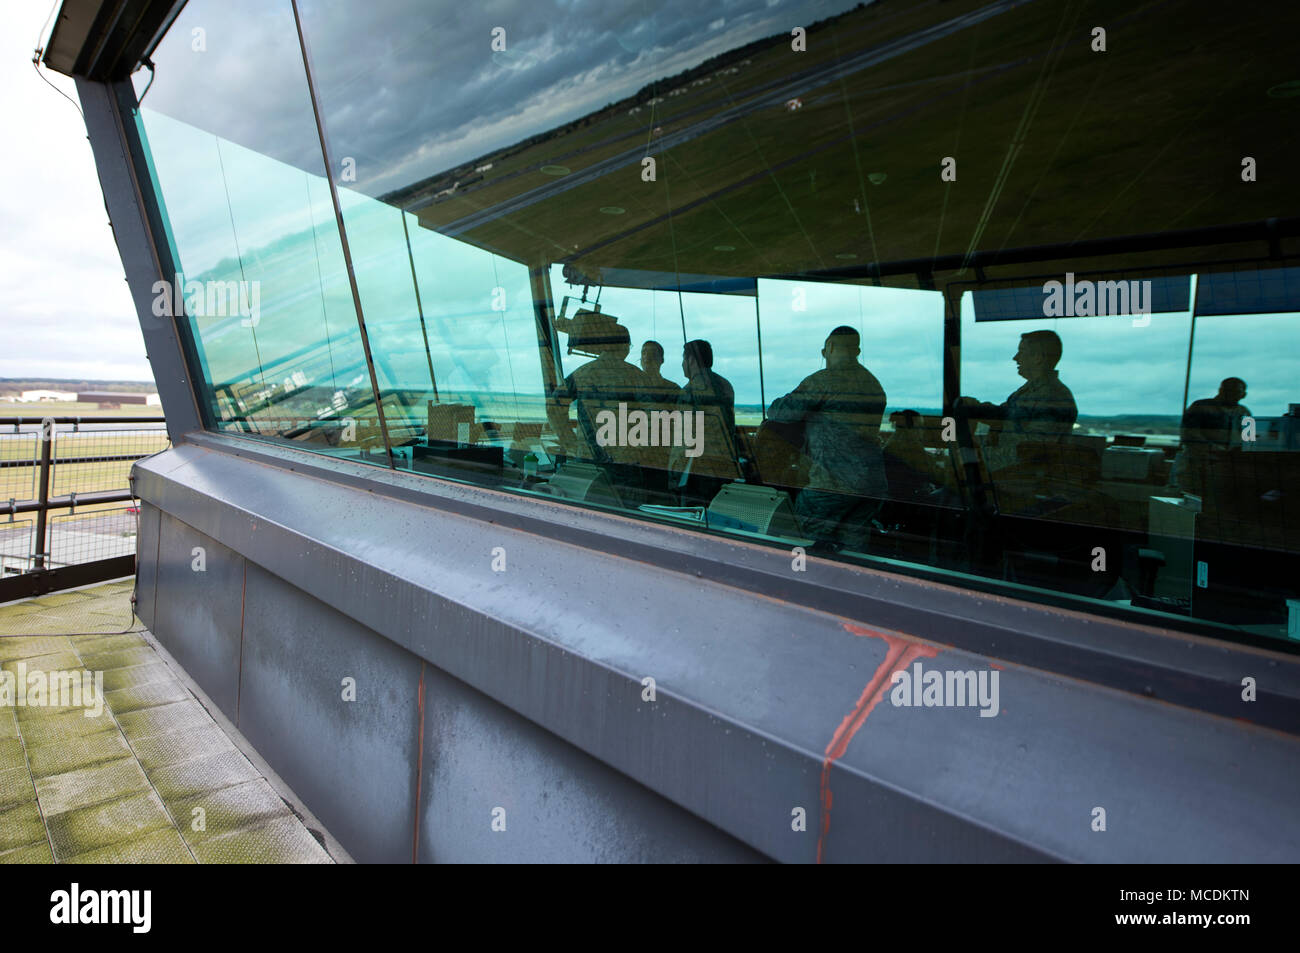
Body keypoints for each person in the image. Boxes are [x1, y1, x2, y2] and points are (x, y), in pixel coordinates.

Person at [768, 326, 887, 549]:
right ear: (857, 351)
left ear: (829, 347)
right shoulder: (874, 384)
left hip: (831, 485)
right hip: (870, 484)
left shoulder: (825, 380)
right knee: (853, 554)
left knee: (807, 545)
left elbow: (780, 412)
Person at [547, 311, 652, 499]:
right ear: (625, 347)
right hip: (627, 462)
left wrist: (569, 441)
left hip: (588, 459)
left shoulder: (582, 374)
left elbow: (554, 406)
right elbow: (653, 417)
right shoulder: (637, 377)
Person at [957, 329, 1077, 443]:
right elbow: (1003, 415)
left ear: (1038, 358)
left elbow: (1034, 447)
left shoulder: (1054, 396)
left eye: (1022, 352)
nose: (1015, 358)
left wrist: (985, 439)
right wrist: (977, 409)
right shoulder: (1028, 391)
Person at [671, 339, 738, 505]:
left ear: (691, 360)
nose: (682, 364)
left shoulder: (690, 390)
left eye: (683, 359)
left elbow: (685, 438)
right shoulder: (725, 385)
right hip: (725, 466)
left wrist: (674, 474)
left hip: (697, 470)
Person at [1176, 377, 1250, 496]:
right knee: (1193, 502)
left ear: (1243, 395)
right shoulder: (1200, 406)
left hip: (1227, 469)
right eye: (1228, 390)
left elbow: (1249, 441)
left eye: (1236, 392)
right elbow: (1189, 435)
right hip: (1197, 466)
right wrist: (1215, 450)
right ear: (1220, 390)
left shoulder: (1245, 413)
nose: (1232, 395)